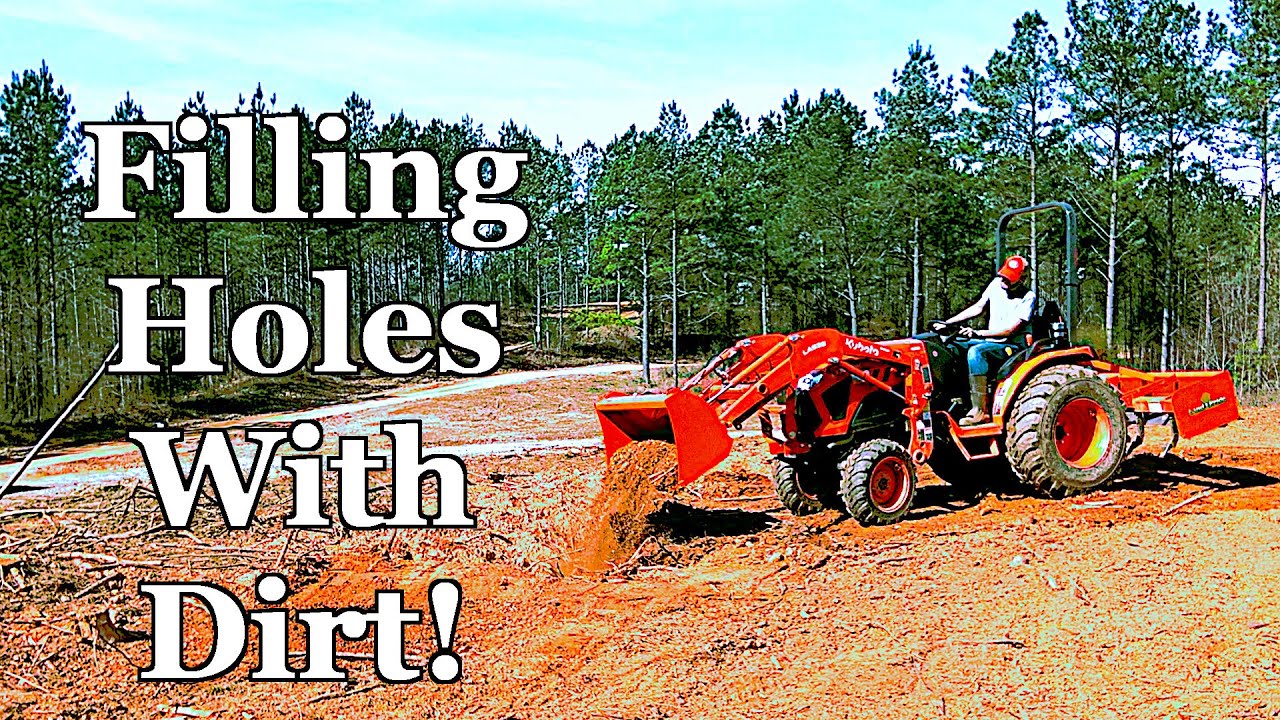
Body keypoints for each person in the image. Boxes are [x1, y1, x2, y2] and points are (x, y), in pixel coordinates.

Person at [934, 255, 1036, 426]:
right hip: (988, 341)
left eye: (1009, 279)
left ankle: (980, 410)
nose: (1004, 281)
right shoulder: (996, 285)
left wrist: (977, 333)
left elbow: (1009, 330)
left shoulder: (1028, 297)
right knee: (951, 346)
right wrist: (948, 323)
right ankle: (950, 400)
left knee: (975, 353)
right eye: (1003, 276)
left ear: (1022, 279)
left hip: (1010, 346)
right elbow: (978, 307)